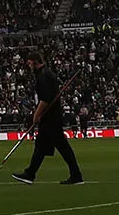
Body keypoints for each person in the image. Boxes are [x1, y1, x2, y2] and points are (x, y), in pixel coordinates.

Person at [12, 54, 83, 186]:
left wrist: (36, 115)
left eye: (30, 63)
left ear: (35, 62)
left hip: (50, 117)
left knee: (61, 146)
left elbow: (45, 99)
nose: (29, 66)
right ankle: (30, 173)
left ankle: (76, 175)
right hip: (51, 116)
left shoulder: (43, 75)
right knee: (41, 146)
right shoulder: (46, 74)